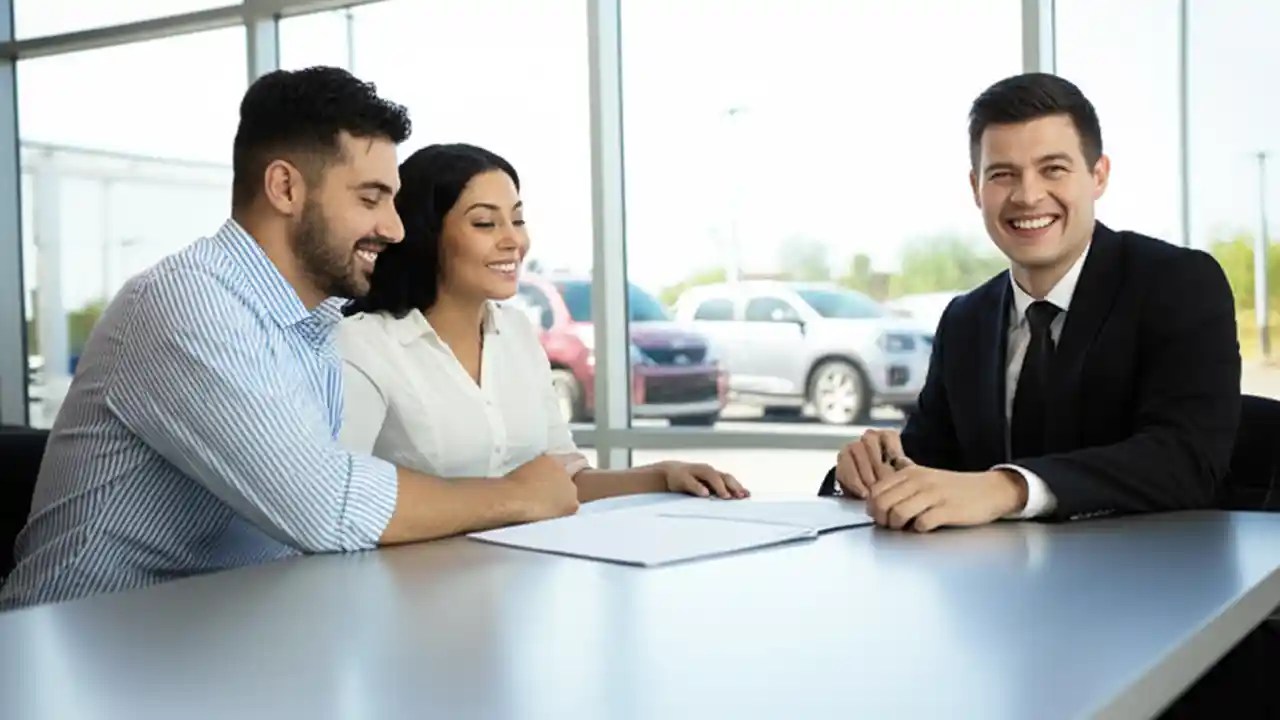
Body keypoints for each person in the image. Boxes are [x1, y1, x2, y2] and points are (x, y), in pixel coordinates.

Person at [0, 68, 579, 611]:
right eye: (370, 199)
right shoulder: (189, 304)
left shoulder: (315, 325)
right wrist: (514, 494)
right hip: (82, 645)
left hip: (219, 636)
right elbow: (326, 505)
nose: (396, 229)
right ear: (285, 188)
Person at [824, 72, 1240, 532]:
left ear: (1098, 175)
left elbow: (1187, 460)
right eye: (1002, 175)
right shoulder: (966, 321)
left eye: (1053, 169)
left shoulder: (1176, 283)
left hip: (1152, 588)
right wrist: (869, 471)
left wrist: (1009, 487)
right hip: (997, 590)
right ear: (975, 188)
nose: (1028, 195)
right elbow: (928, 460)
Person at [338, 142, 748, 502]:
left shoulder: (516, 332)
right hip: (412, 585)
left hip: (522, 578)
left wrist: (660, 476)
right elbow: (345, 501)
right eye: (485, 223)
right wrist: (511, 502)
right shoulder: (364, 345)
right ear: (426, 235)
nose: (513, 240)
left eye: (517, 219)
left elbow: (563, 479)